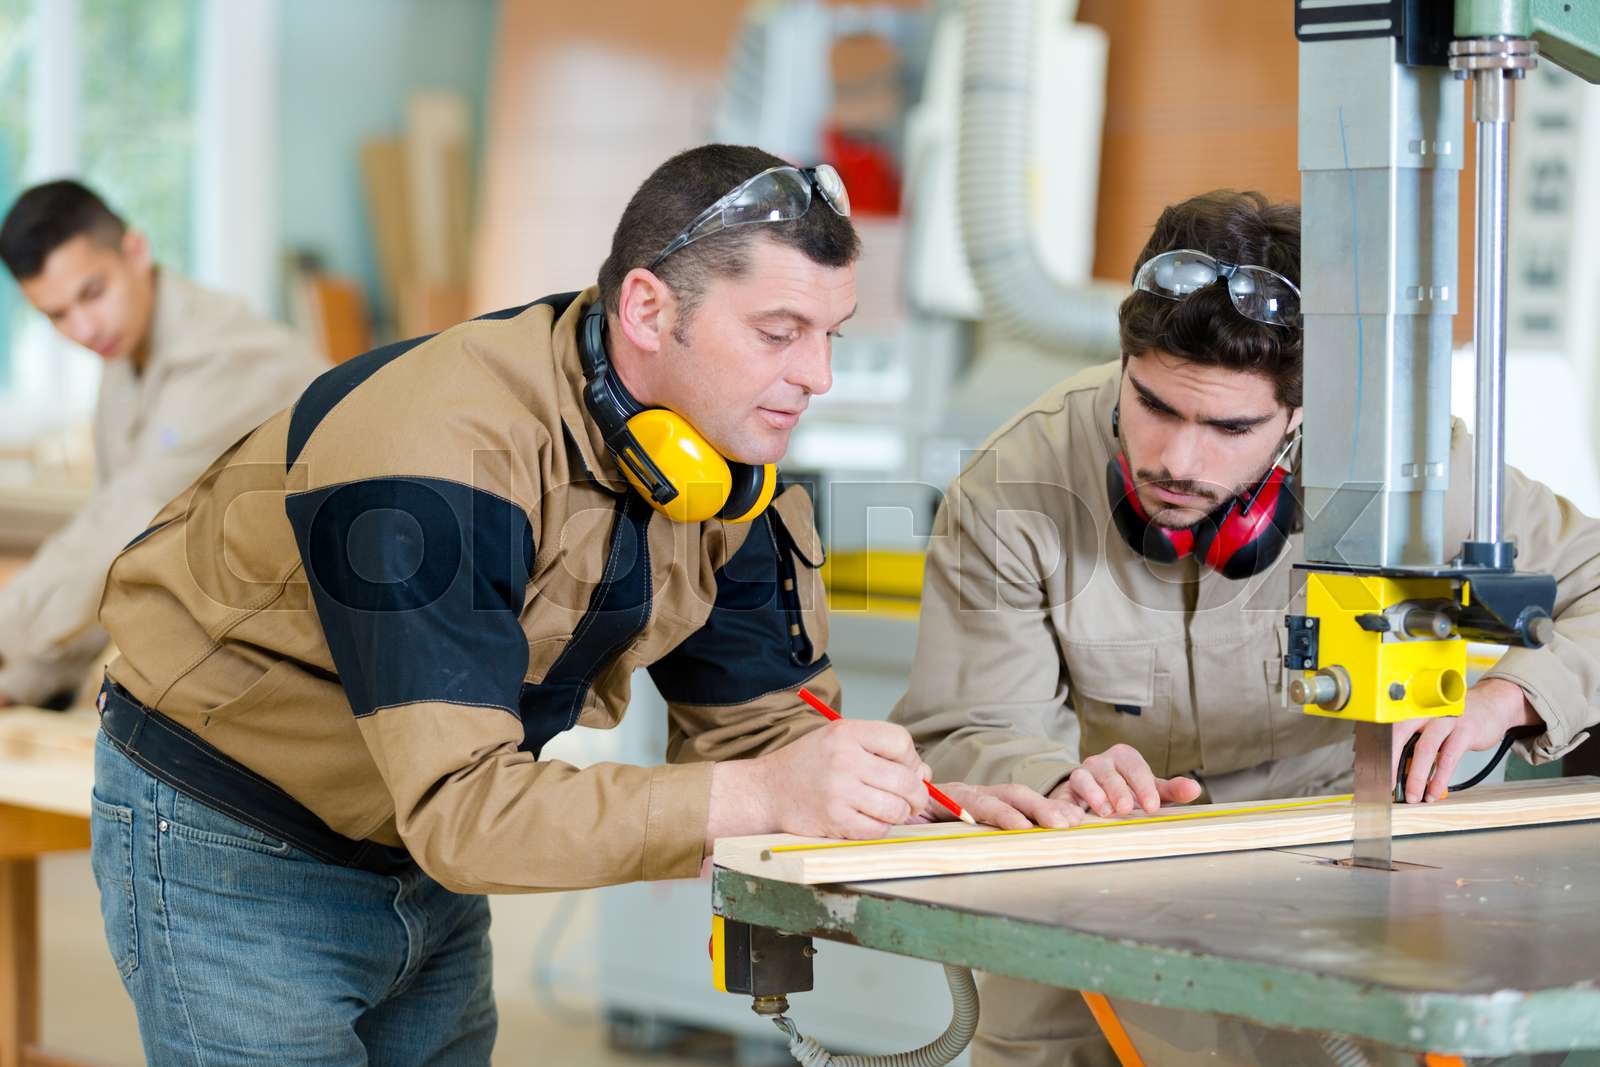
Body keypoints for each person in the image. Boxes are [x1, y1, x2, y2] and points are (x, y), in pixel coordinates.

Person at [88, 143, 1059, 1065]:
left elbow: (760, 734)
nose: (818, 375)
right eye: (779, 333)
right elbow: (466, 812)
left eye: (829, 336)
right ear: (645, 306)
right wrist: (765, 796)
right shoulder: (434, 456)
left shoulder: (725, 465)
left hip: (418, 841)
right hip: (232, 826)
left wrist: (916, 809)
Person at [891, 189, 1600, 1066]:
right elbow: (963, 728)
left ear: (1300, 415)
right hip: (1098, 876)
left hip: (1344, 890)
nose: (1178, 461)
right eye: (1153, 405)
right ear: (1123, 361)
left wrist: (1510, 697)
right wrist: (1060, 779)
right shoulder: (1015, 484)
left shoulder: (1406, 472)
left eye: (1230, 427)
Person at [0, 179, 325, 707]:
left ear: (136, 250)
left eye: (92, 293)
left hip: (330, 616)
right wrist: (22, 682)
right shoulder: (124, 359)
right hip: (240, 611)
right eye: (57, 314)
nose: (82, 327)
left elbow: (128, 529)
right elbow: (118, 569)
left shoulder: (218, 354)